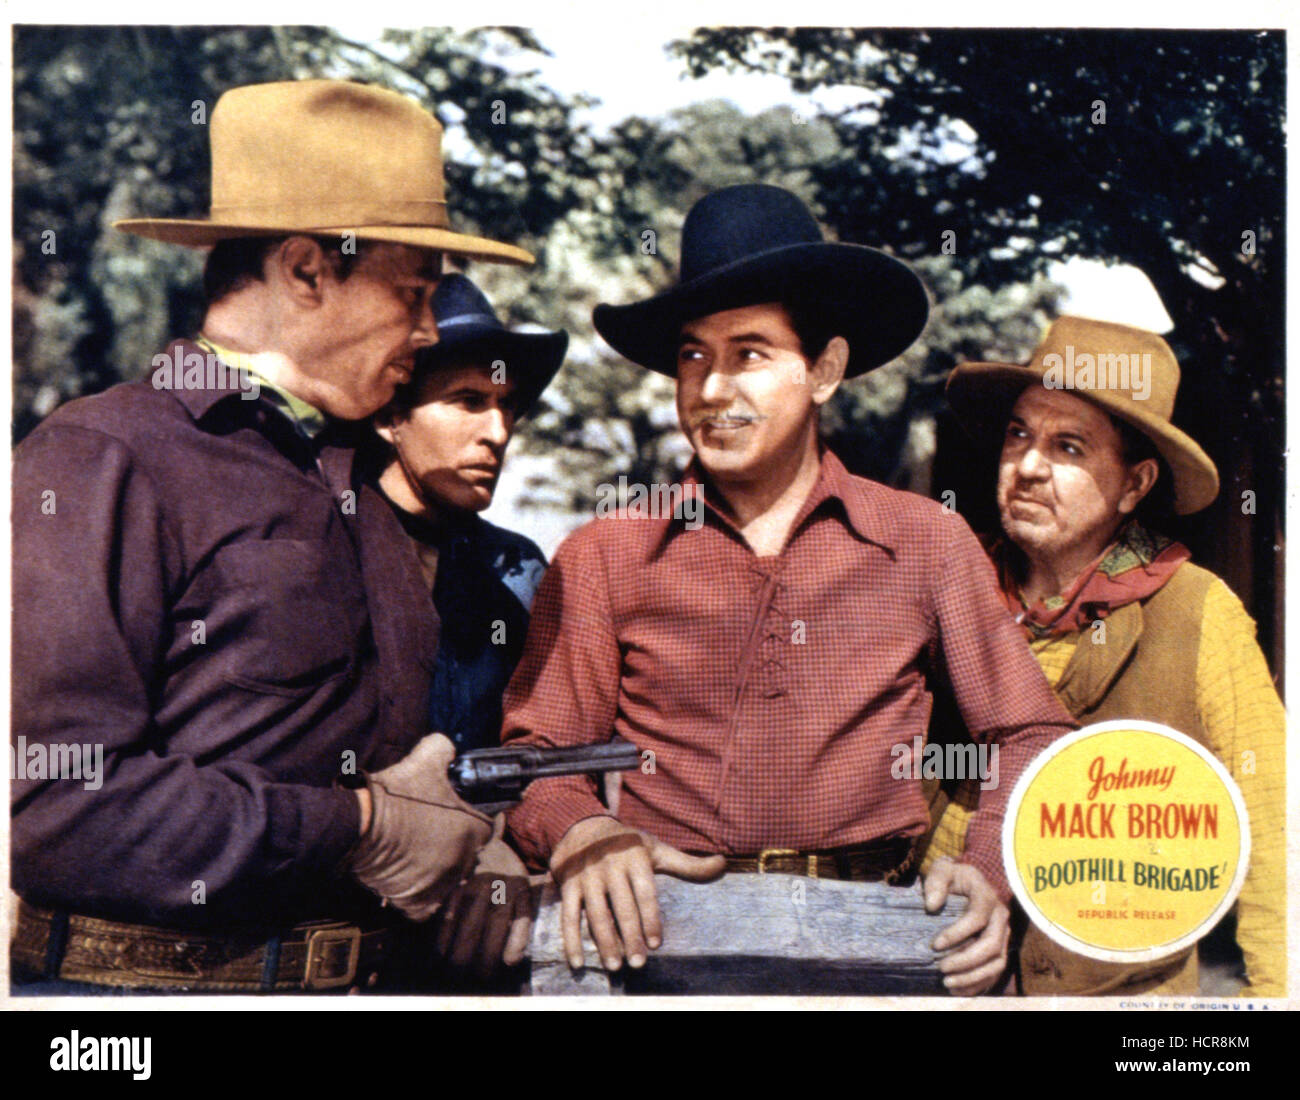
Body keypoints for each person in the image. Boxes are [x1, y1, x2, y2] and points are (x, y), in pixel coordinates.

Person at [10, 79, 535, 993]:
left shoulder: (360, 476)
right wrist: (362, 828)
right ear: (305, 270)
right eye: (414, 293)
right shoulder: (103, 454)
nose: (425, 331)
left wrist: (463, 840)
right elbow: (57, 806)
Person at [499, 183, 1077, 996]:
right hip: (659, 946)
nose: (709, 388)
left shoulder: (924, 540)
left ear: (826, 370)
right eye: (692, 355)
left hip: (878, 940)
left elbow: (1029, 734)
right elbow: (537, 761)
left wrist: (988, 870)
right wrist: (582, 824)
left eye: (750, 354)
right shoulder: (606, 554)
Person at [933, 316, 1286, 997]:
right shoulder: (949, 578)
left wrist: (1272, 1001)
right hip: (938, 980)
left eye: (1068, 447)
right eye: (1018, 434)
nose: (1029, 467)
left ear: (1133, 484)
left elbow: (1272, 833)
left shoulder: (1197, 611)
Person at [366, 272, 566, 981]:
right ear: (390, 413)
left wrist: (505, 841)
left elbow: (539, 745)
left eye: (507, 406)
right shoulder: (320, 545)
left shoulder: (515, 570)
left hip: (471, 942)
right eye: (468, 402)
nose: (499, 431)